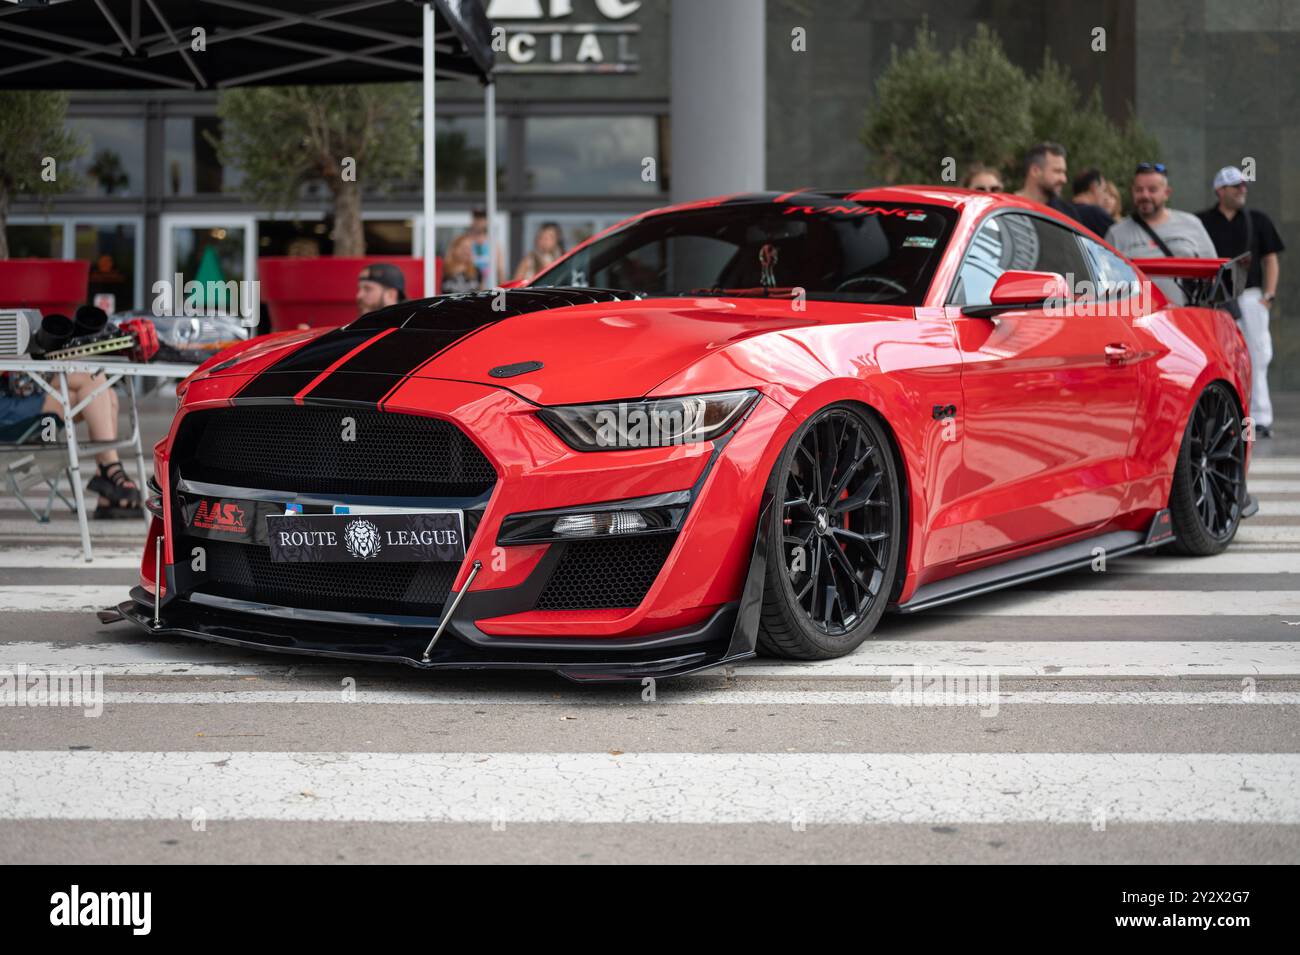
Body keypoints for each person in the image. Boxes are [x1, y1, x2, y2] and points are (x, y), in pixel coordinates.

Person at [1198, 165, 1286, 437]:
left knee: (1258, 355)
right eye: (1235, 186)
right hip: (1217, 299)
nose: (1241, 190)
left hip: (1250, 297)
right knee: (1220, 356)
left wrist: (1268, 296)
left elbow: (1270, 259)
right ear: (1220, 190)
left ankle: (1260, 418)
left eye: (1243, 185)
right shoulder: (1202, 221)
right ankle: (1225, 415)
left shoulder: (1257, 219)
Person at [0, 370, 141, 518]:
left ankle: (107, 477)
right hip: (7, 402)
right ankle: (109, 472)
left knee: (104, 393)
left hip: (19, 386)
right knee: (95, 383)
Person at [1104, 163, 1217, 306]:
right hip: (1138, 320)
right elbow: (1106, 283)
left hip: (1187, 318)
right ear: (1132, 192)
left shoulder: (1191, 224)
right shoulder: (1116, 233)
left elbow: (1213, 274)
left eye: (1152, 190)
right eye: (1139, 190)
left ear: (1167, 193)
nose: (1145, 195)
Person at [1015, 142, 1113, 237]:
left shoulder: (1067, 213)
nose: (1064, 179)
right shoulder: (1009, 207)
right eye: (1057, 171)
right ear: (1035, 171)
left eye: (1064, 172)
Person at [467, 208, 505, 287]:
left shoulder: (494, 243)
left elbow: (500, 269)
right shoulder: (467, 242)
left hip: (490, 289)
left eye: (482, 218)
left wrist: (503, 288)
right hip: (471, 288)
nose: (479, 222)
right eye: (476, 218)